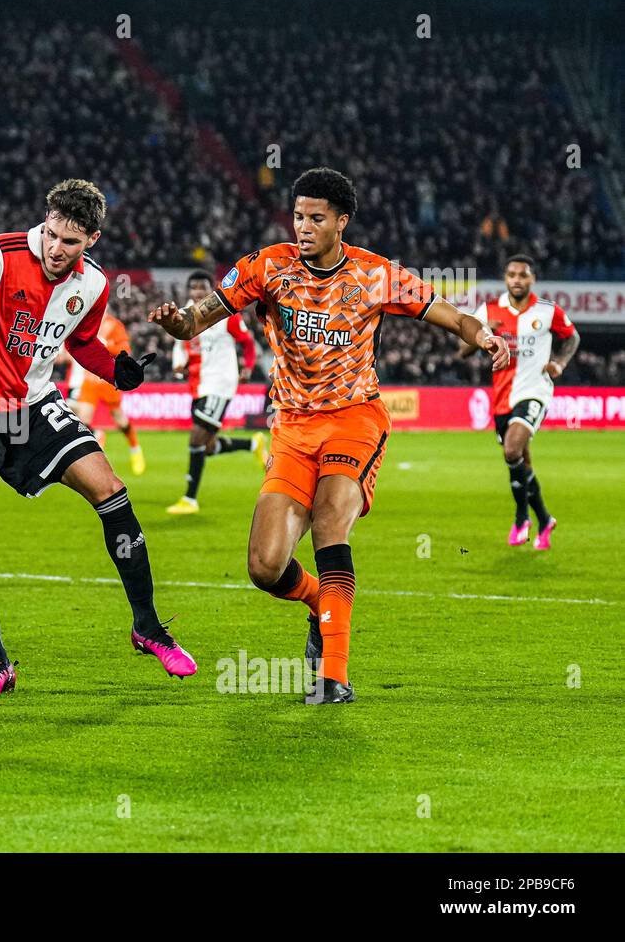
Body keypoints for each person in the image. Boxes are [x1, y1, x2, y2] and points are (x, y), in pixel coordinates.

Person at [150, 167, 509, 704]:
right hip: (292, 428)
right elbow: (200, 317)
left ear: (341, 222)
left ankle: (333, 676)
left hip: (354, 419)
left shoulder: (376, 275)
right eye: (298, 216)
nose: (303, 227)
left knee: (329, 521)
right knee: (264, 566)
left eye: (316, 218)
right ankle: (321, 604)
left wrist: (482, 336)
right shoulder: (268, 266)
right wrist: (178, 324)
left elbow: (452, 315)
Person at [0, 179, 196, 695]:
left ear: (91, 239)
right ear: (44, 221)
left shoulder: (92, 284)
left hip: (32, 403)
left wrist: (118, 372)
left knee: (110, 490)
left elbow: (84, 343)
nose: (55, 248)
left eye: (69, 241)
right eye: (50, 234)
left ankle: (148, 627)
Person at [458, 254, 578, 549]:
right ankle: (544, 518)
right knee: (520, 460)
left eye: (523, 275)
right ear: (505, 278)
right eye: (512, 274)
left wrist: (559, 363)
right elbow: (462, 350)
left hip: (535, 389)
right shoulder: (489, 310)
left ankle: (522, 517)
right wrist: (482, 334)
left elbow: (572, 337)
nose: (517, 280)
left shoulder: (547, 311)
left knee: (512, 448)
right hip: (502, 397)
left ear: (532, 279)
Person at [167, 268, 266, 515]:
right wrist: (178, 364)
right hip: (197, 385)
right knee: (208, 447)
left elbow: (247, 342)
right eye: (194, 288)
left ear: (211, 289)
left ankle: (189, 499)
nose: (198, 291)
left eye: (202, 287)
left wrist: (248, 367)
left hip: (221, 382)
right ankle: (252, 444)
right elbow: (180, 345)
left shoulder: (225, 314)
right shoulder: (184, 314)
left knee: (196, 438)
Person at [65, 311, 146, 475]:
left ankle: (135, 448)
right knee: (83, 421)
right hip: (89, 379)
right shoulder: (85, 322)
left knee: (120, 420)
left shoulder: (114, 325)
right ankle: (93, 456)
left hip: (109, 379)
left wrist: (105, 344)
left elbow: (125, 350)